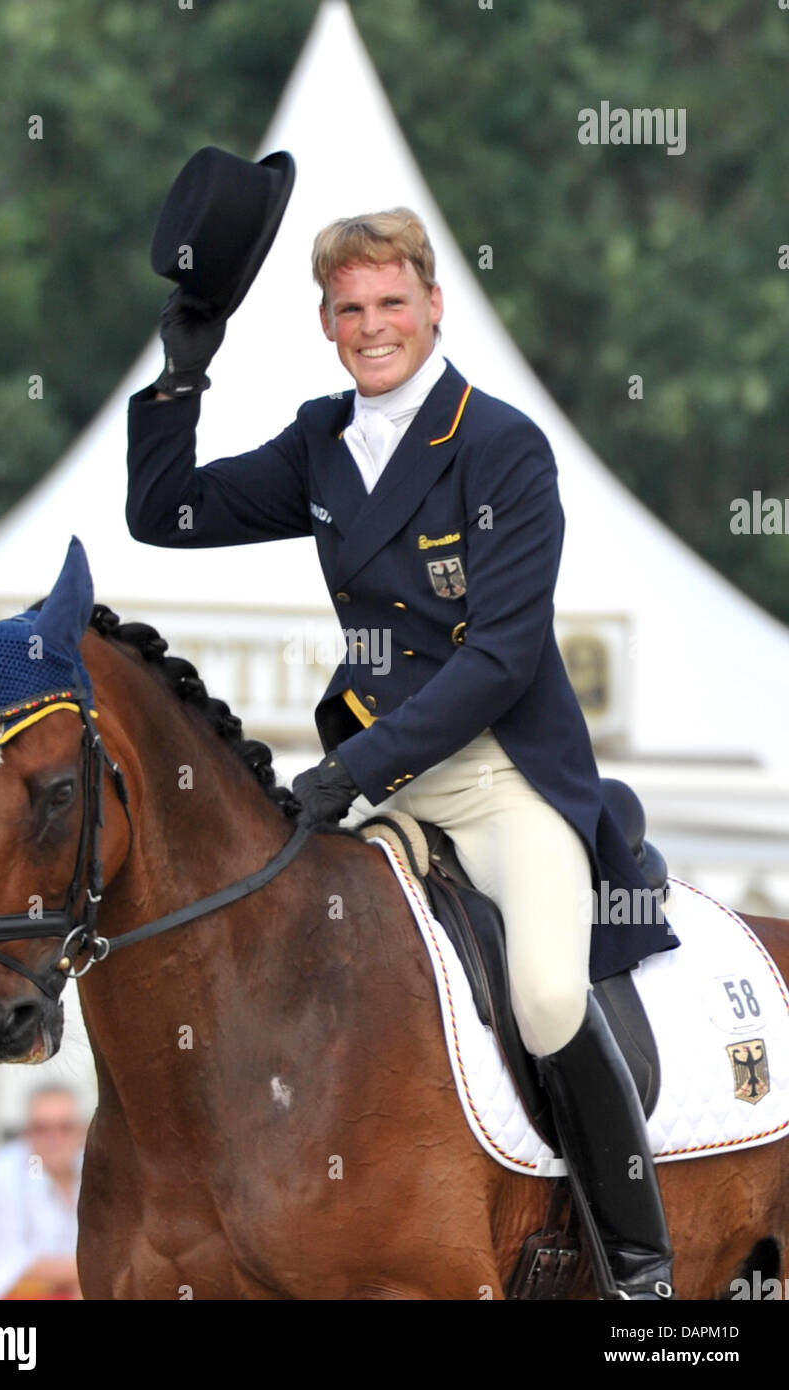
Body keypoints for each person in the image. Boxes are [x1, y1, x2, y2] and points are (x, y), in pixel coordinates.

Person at [125, 196, 677, 1300]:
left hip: (503, 779)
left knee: (548, 1000)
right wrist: (182, 367)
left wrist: (349, 773)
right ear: (326, 323)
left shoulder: (502, 447)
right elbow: (165, 512)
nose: (372, 324)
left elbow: (501, 660)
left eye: (391, 302)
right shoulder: (324, 440)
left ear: (433, 304)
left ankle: (639, 1267)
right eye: (348, 308)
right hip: (387, 790)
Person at [0, 1085, 85, 1299]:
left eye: (65, 1127)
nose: (54, 1138)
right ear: (27, 1131)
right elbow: (7, 1262)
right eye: (41, 1128)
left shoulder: (96, 1170)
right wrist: (87, 1269)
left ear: (83, 1130)